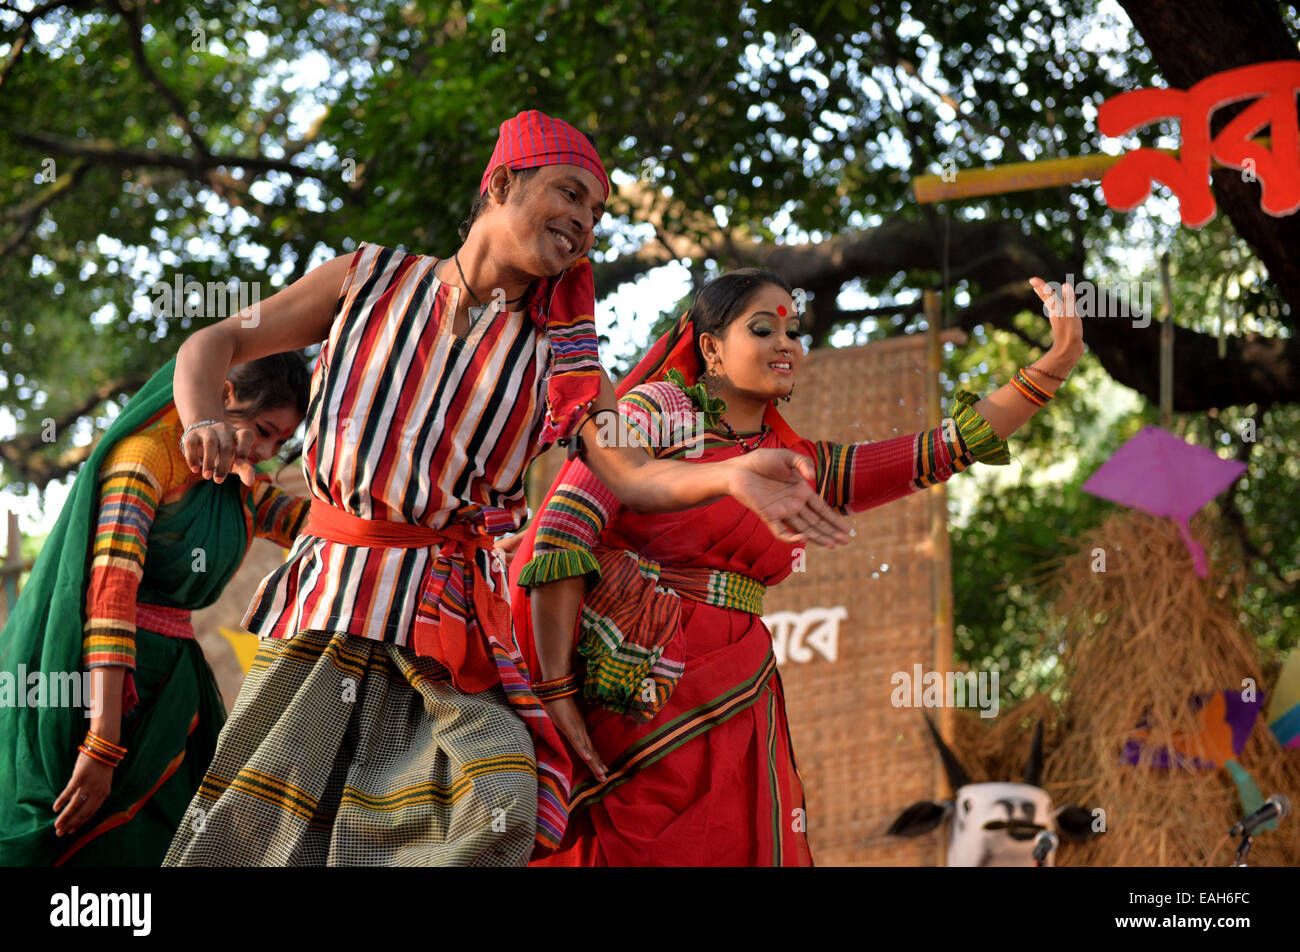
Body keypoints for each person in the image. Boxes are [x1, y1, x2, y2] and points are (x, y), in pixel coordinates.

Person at [162, 110, 851, 867]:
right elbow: (215, 341)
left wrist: (727, 473)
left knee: (498, 808)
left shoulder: (564, 360)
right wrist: (201, 420)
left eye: (597, 212)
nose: (585, 221)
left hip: (450, 634)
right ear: (500, 184)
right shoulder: (368, 278)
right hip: (334, 605)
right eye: (570, 194)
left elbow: (628, 469)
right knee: (255, 839)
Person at [511, 268, 1085, 865]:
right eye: (763, 328)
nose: (786, 343)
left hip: (740, 687)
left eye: (795, 331)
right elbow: (562, 532)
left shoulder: (800, 466)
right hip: (641, 687)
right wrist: (555, 692)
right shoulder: (660, 412)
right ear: (710, 347)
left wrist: (1056, 364)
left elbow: (943, 449)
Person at [0, 352, 311, 865]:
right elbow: (110, 597)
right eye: (262, 430)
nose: (265, 452)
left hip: (177, 690)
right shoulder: (144, 458)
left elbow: (312, 526)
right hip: (107, 693)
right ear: (224, 395)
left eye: (280, 443)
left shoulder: (237, 483)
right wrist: (103, 746)